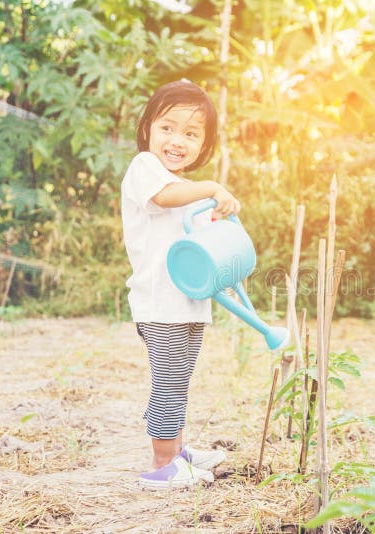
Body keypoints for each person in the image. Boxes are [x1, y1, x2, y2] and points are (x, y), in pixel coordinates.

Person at [120, 80, 241, 490]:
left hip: (188, 302)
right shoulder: (145, 170)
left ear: (204, 143)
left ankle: (178, 450)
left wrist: (219, 218)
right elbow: (165, 198)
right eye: (168, 128)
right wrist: (211, 188)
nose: (177, 141)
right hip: (160, 302)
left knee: (180, 379)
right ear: (148, 128)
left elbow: (203, 245)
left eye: (191, 134)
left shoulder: (188, 190)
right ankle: (162, 464)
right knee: (169, 382)